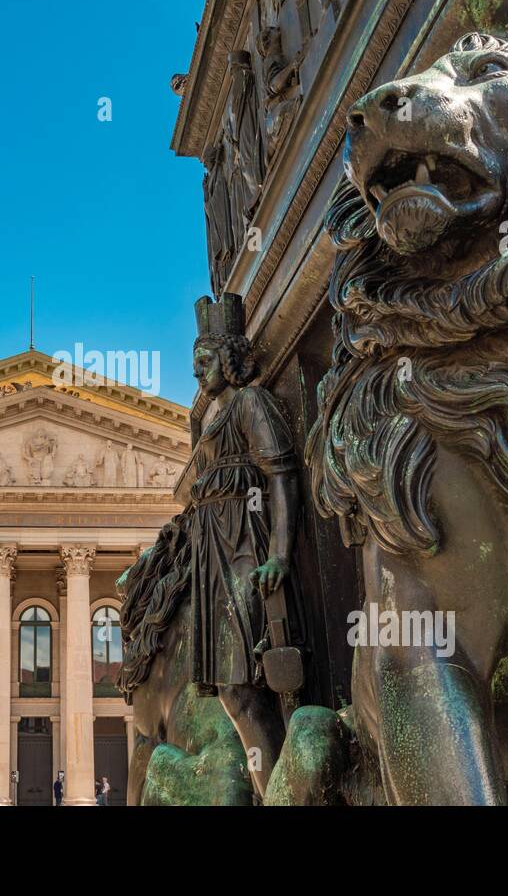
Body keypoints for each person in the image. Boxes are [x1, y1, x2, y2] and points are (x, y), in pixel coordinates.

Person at [188, 293, 299, 800]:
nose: (197, 372)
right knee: (234, 690)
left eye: (205, 360)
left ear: (230, 359)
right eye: (194, 363)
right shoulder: (209, 418)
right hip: (214, 550)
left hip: (245, 544)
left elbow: (280, 476)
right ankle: (273, 790)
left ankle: (281, 792)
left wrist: (279, 552)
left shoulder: (251, 404)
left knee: (250, 682)